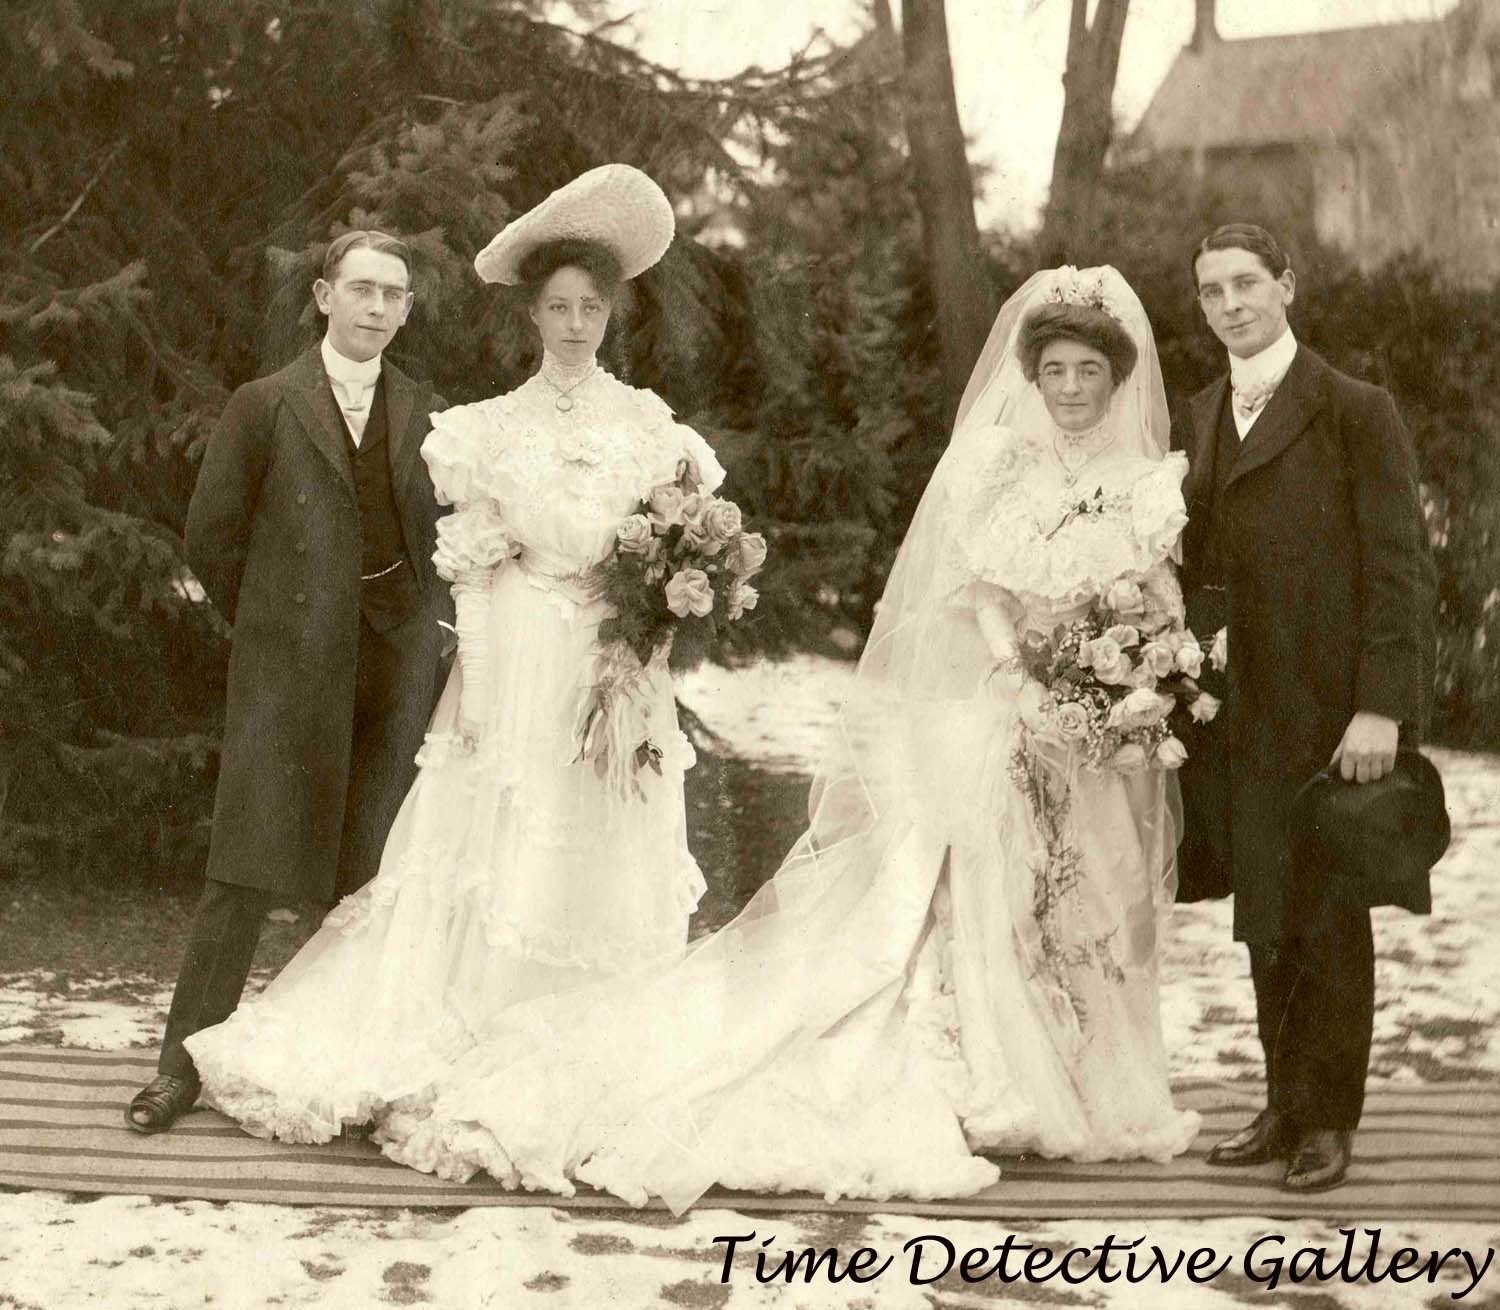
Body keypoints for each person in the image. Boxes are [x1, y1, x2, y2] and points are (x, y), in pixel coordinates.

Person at [372, 265, 1201, 1212]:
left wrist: (1116, 681)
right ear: (1035, 376)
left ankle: (1092, 1082)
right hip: (1007, 708)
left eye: (1088, 371)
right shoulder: (1003, 470)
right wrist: (1019, 670)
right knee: (971, 896)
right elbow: (973, 590)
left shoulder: (1147, 486)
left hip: (1092, 731)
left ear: (1117, 376)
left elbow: (1157, 602)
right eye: (1054, 370)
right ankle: (1001, 1078)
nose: (1070, 388)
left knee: (1086, 894)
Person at [177, 165, 722, 1143]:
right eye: (555, 306)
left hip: (591, 666)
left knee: (562, 851)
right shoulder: (462, 427)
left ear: (609, 314)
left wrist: (640, 650)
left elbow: (674, 550)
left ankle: (571, 1046)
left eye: (588, 307)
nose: (571, 323)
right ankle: (189, 1064)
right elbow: (456, 555)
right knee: (302, 860)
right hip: (459, 662)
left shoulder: (636, 427)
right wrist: (456, 669)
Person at [126, 230, 452, 1134]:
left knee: (369, 874)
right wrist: (277, 627)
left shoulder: (429, 413)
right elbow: (210, 537)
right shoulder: (264, 404)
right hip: (287, 672)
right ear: (322, 295)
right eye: (361, 289)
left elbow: (445, 540)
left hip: (396, 668)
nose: (377, 307)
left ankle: (329, 1073)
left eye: (394, 293)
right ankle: (180, 1070)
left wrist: (418, 632)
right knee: (244, 870)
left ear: (408, 309)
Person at [1177, 223, 1436, 1192]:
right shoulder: (1200, 410)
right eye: (1211, 290)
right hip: (1237, 708)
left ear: (1287, 285)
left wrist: (1382, 708)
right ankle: (1284, 1100)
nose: (1231, 303)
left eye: (1247, 282)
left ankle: (1330, 1117)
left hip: (1329, 710)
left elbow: (1399, 570)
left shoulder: (1354, 409)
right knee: (1264, 909)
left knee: (1326, 912)